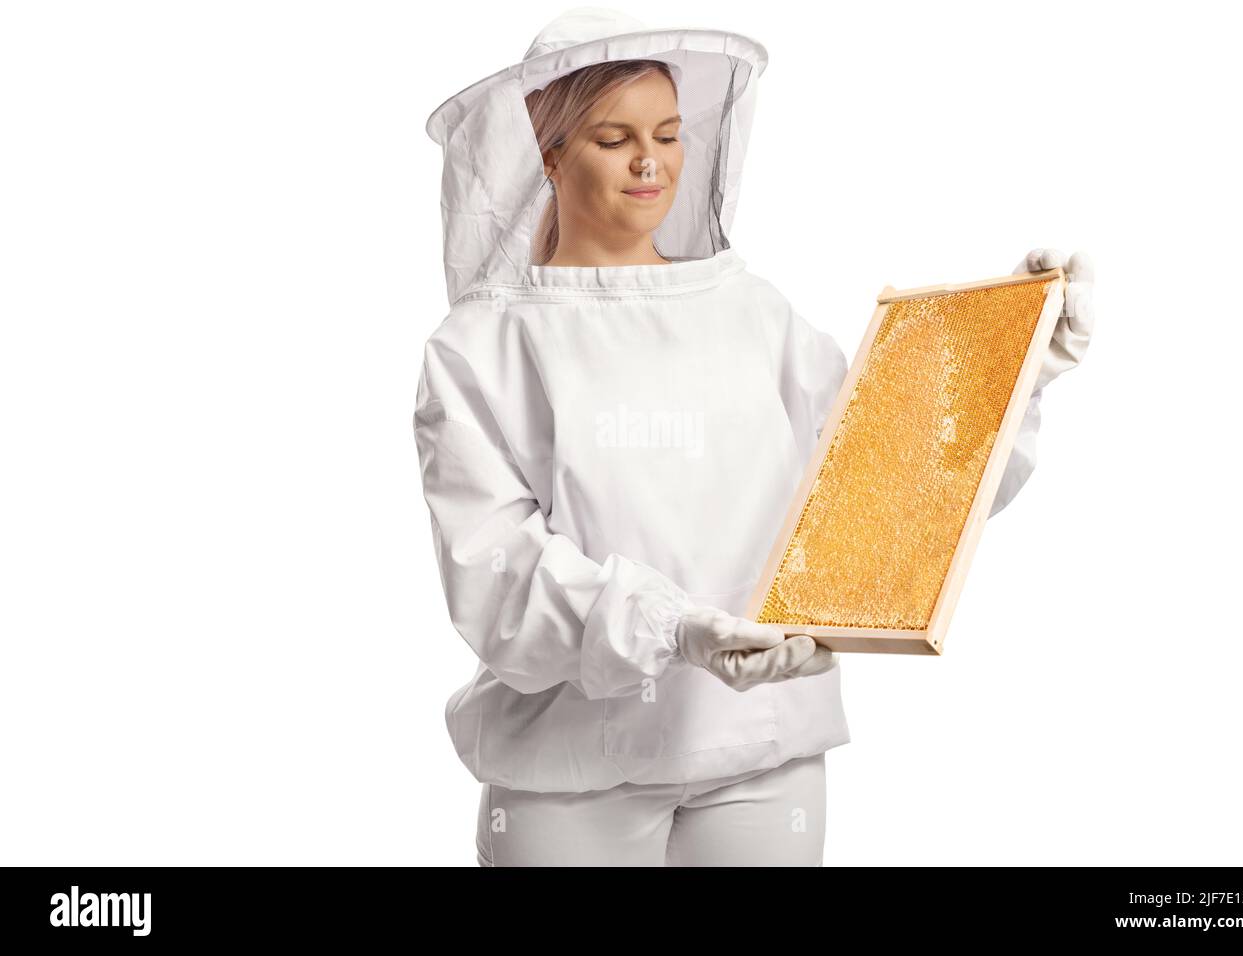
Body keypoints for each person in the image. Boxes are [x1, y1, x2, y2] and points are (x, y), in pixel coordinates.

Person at [412, 6, 1096, 866]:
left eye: (667, 132)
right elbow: (498, 581)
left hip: (762, 756)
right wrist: (673, 630)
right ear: (549, 154)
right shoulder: (481, 348)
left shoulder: (753, 313)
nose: (650, 160)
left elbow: (877, 493)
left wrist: (1019, 369)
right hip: (570, 776)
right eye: (613, 137)